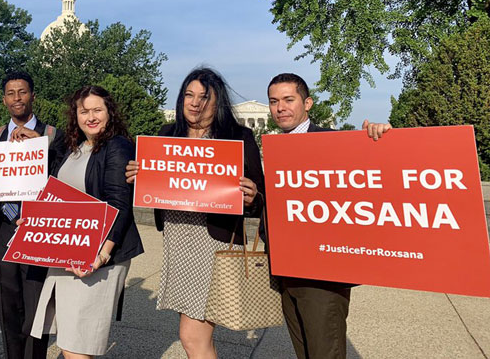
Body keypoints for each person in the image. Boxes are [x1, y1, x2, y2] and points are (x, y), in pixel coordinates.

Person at [125, 67, 264, 359]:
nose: (195, 102)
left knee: (191, 335)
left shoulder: (237, 136)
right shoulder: (167, 134)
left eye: (204, 97)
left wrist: (252, 197)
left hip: (213, 243)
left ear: (218, 102)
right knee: (195, 334)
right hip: (178, 239)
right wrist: (139, 174)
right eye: (189, 94)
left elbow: (260, 197)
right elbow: (157, 182)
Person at [267, 73, 391, 359]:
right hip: (287, 270)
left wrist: (380, 139)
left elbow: (379, 179)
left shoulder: (335, 141)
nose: (280, 107)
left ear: (307, 103)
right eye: (274, 101)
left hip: (323, 275)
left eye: (288, 99)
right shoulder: (275, 148)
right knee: (306, 352)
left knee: (325, 352)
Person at [30, 85, 144, 359]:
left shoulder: (117, 146)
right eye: (84, 111)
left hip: (99, 255)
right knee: (70, 340)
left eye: (97, 110)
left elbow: (119, 205)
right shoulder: (71, 146)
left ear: (109, 113)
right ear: (75, 115)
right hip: (68, 250)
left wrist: (102, 254)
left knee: (78, 346)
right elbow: (55, 194)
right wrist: (35, 223)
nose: (90, 117)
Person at [0, 70, 67, 359]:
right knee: (8, 306)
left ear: (32, 95)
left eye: (22, 92)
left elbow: (64, 181)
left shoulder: (53, 135)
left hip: (38, 228)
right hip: (5, 228)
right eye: (11, 93)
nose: (16, 98)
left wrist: (40, 147)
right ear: (4, 99)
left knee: (36, 307)